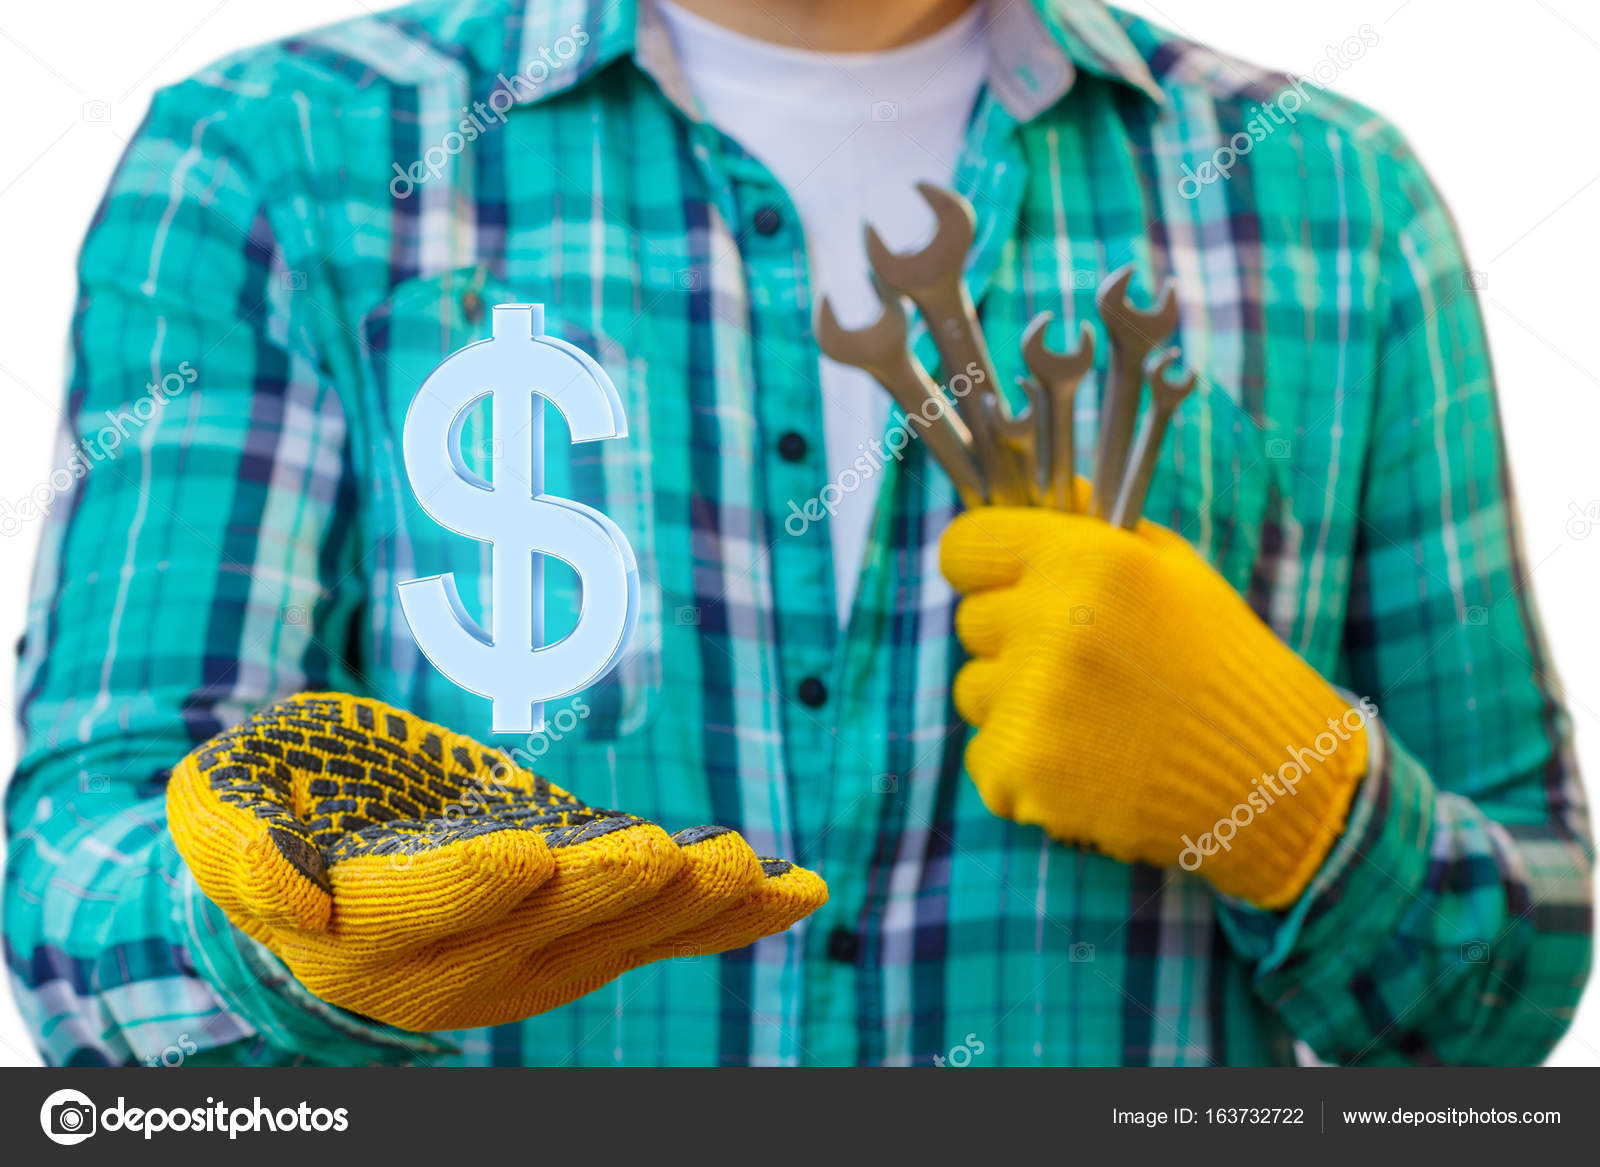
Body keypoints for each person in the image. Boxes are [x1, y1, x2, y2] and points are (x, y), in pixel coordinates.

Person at [6, 0, 1591, 1067]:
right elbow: (77, 882)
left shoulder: (1329, 197)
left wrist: (1296, 803)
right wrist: (284, 949)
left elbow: (1514, 990)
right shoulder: (279, 161)